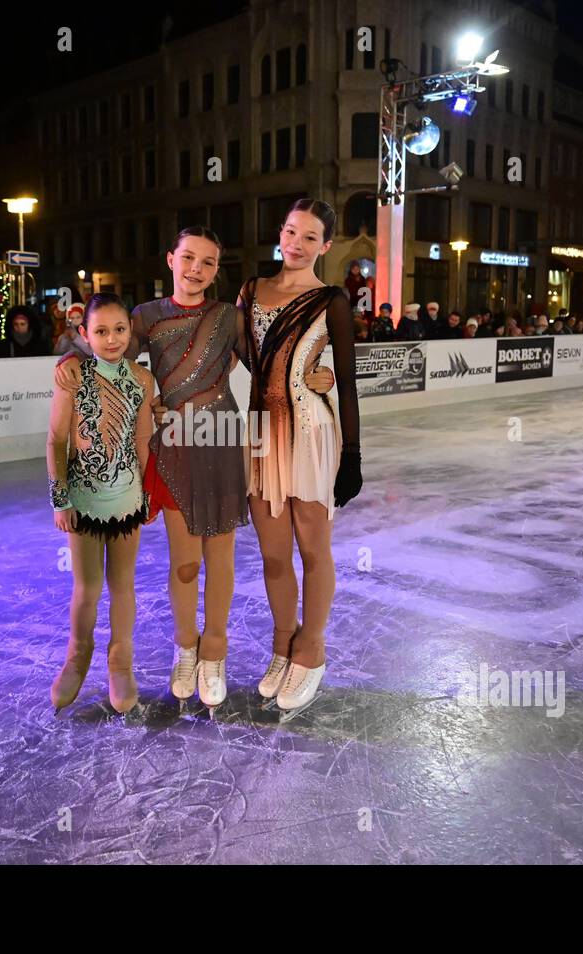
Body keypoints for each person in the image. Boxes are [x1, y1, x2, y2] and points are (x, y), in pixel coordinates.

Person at [53, 226, 337, 714]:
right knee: (184, 563)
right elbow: (108, 342)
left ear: (215, 270)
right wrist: (71, 358)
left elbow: (271, 360)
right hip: (175, 446)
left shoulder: (229, 316)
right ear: (170, 259)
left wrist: (315, 371)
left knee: (221, 560)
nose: (196, 270)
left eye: (207, 263)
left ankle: (215, 653)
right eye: (188, 258)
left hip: (222, 441)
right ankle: (186, 649)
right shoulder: (146, 316)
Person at [238, 198, 362, 714]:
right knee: (272, 554)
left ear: (325, 246)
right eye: (291, 231)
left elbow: (349, 382)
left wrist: (352, 454)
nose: (296, 243)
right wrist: (290, 373)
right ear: (280, 233)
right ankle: (282, 643)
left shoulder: (331, 299)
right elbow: (246, 354)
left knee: (313, 549)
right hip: (263, 435)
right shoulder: (250, 291)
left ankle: (311, 649)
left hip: (311, 433)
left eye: (310, 237)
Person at [46, 293, 156, 715]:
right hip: (83, 501)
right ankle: (77, 656)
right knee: (88, 587)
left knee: (123, 585)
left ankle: (120, 661)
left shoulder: (142, 379)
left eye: (120, 329)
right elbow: (56, 440)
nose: (112, 339)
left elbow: (143, 439)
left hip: (127, 499)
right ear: (84, 335)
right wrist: (60, 500)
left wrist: (147, 494)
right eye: (102, 331)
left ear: (131, 331)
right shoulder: (73, 374)